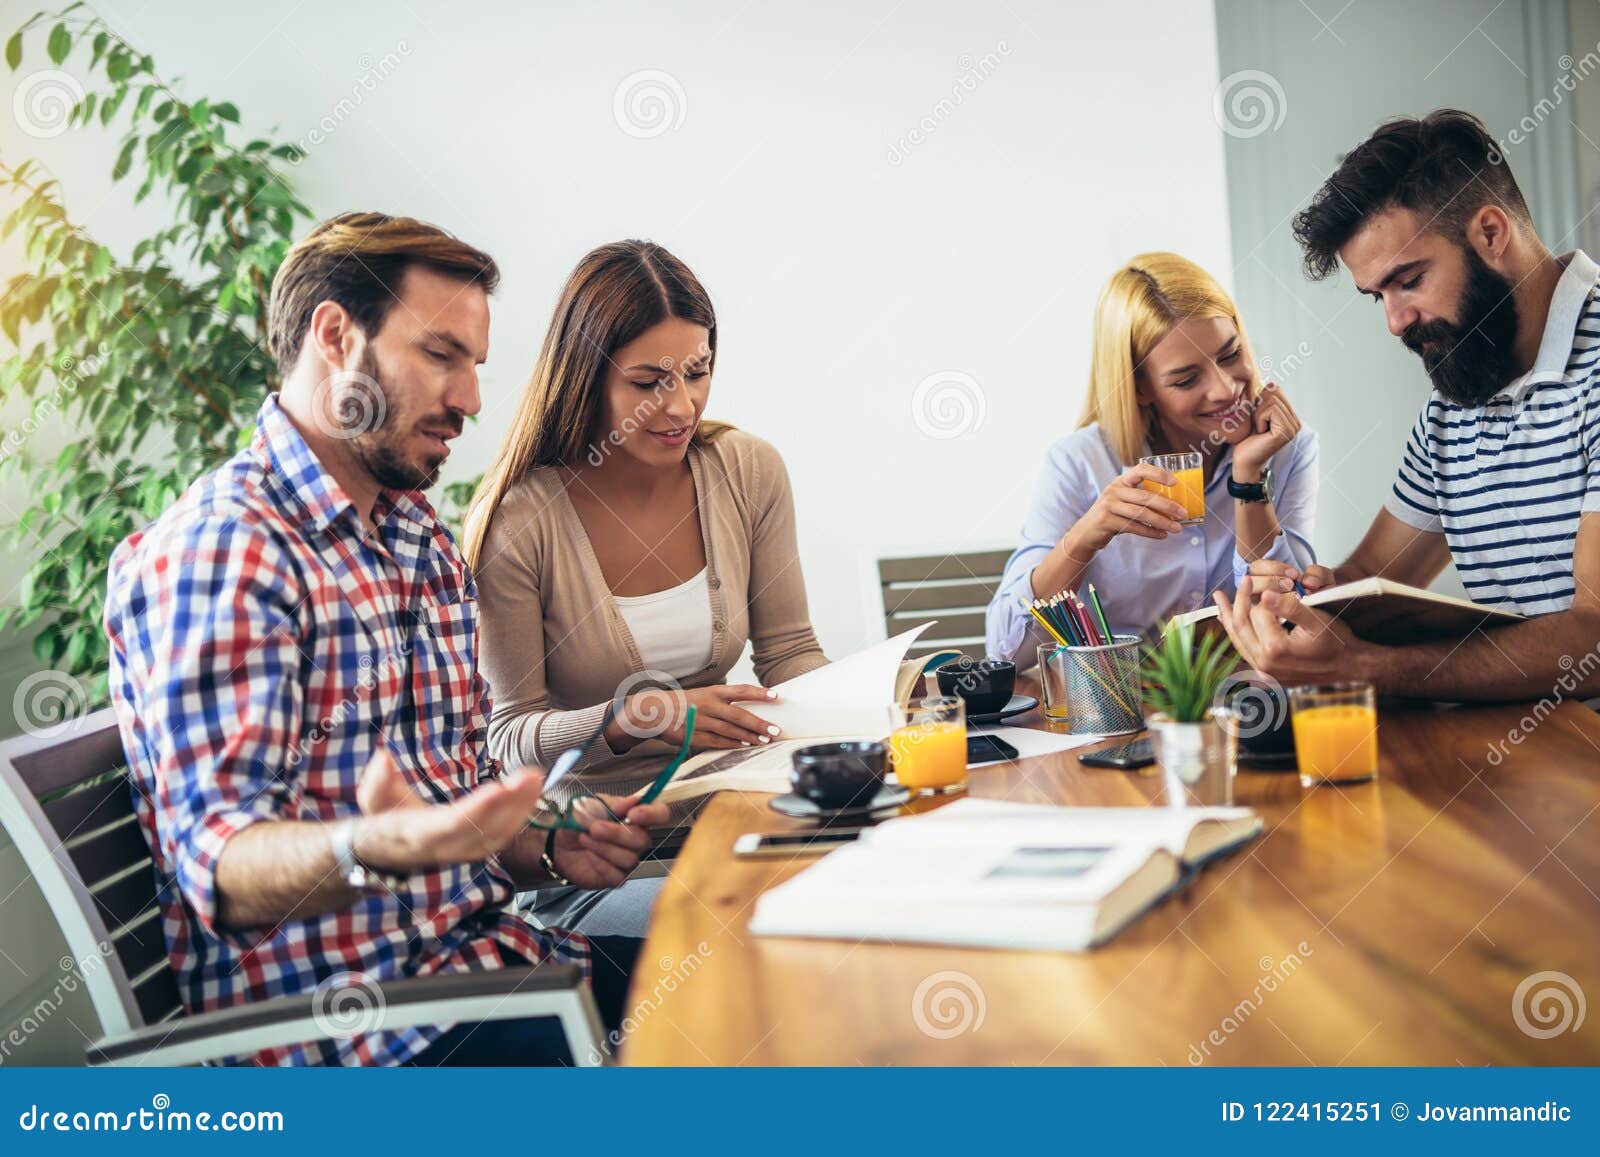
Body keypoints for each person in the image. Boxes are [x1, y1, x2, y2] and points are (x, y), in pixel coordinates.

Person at [103, 212, 670, 1067]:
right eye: (441, 356)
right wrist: (377, 850)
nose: (472, 399)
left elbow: (459, 821)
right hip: (360, 1044)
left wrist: (551, 842)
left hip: (487, 972)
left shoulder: (417, 538)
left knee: (764, 971)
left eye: (474, 365)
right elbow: (222, 865)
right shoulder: (227, 550)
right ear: (336, 336)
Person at [461, 239, 830, 935]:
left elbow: (790, 650)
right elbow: (508, 737)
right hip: (600, 860)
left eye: (698, 371)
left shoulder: (746, 470)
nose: (680, 403)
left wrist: (867, 703)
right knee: (752, 926)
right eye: (648, 380)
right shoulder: (519, 522)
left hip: (737, 825)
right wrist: (638, 717)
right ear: (585, 378)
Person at [1216, 110, 1600, 701]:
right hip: (1534, 760)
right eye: (1378, 298)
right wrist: (1303, 596)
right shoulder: (1453, 407)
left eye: (1410, 280)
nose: (1396, 323)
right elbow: (1367, 585)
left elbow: (1594, 639)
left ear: (1491, 233)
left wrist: (1365, 668)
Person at [986, 252, 1319, 663]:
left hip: (1246, 703)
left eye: (1230, 354)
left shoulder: (1286, 448)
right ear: (1140, 389)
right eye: (1186, 379)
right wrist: (1083, 538)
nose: (1225, 388)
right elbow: (1008, 653)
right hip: (1118, 709)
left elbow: (1294, 614)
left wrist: (1248, 478)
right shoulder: (1078, 463)